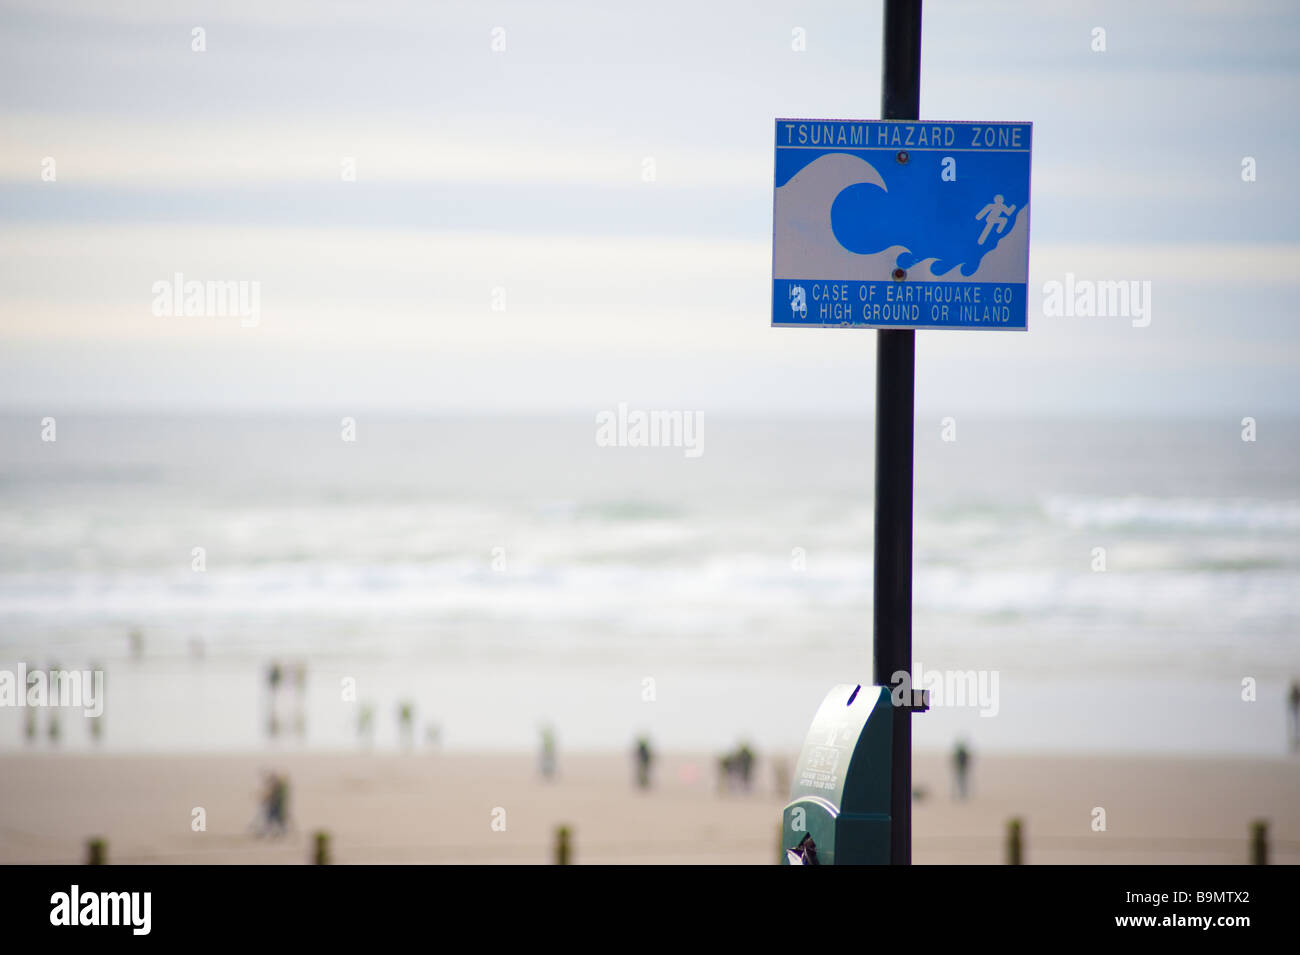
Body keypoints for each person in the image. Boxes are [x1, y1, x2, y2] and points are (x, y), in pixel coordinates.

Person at [1289, 681, 1300, 751]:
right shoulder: (1295, 693)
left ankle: (1295, 735)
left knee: (1295, 722)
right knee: (1295, 722)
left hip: (1295, 708)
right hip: (1295, 708)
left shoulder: (1294, 693)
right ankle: (1295, 735)